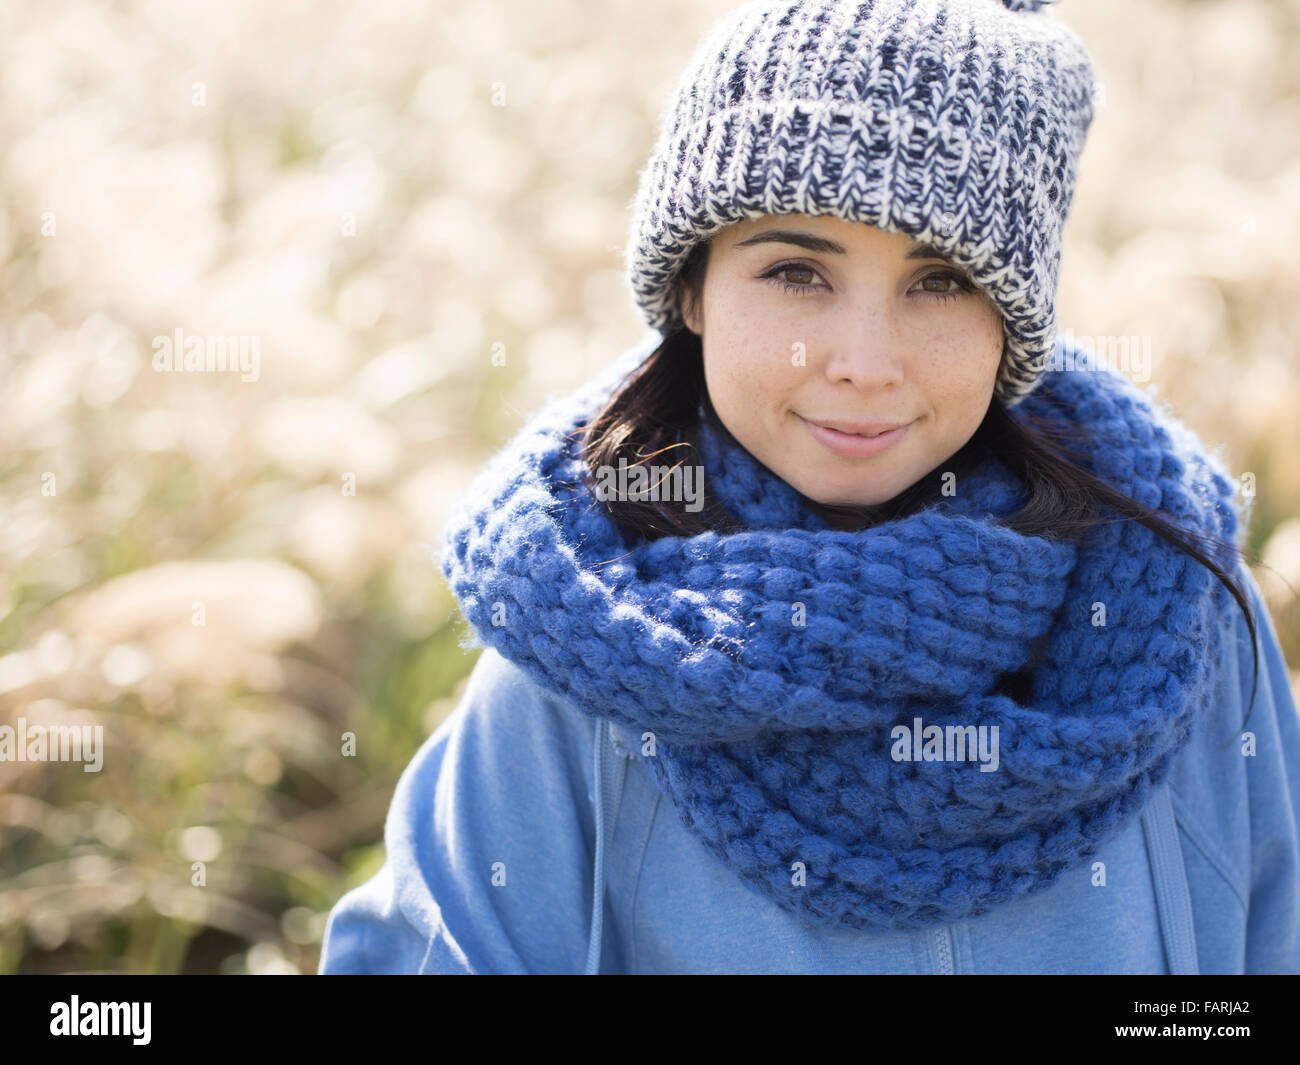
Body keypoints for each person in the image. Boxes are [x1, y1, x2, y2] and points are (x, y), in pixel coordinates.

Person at [318, 0, 1300, 974]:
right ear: (692, 292)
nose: (864, 363)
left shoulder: (1176, 610)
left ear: (1014, 326)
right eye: (795, 271)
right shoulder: (589, 651)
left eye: (943, 280)